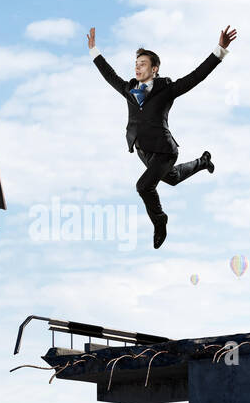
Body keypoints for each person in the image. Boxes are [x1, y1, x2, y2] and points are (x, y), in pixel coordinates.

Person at [87, 25, 237, 248]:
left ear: (154, 69)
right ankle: (202, 161)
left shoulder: (166, 89)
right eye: (136, 64)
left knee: (143, 186)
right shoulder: (129, 89)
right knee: (173, 178)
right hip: (143, 151)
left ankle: (160, 221)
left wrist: (219, 50)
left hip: (165, 151)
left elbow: (196, 76)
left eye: (143, 64)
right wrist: (94, 51)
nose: (137, 68)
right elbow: (109, 75)